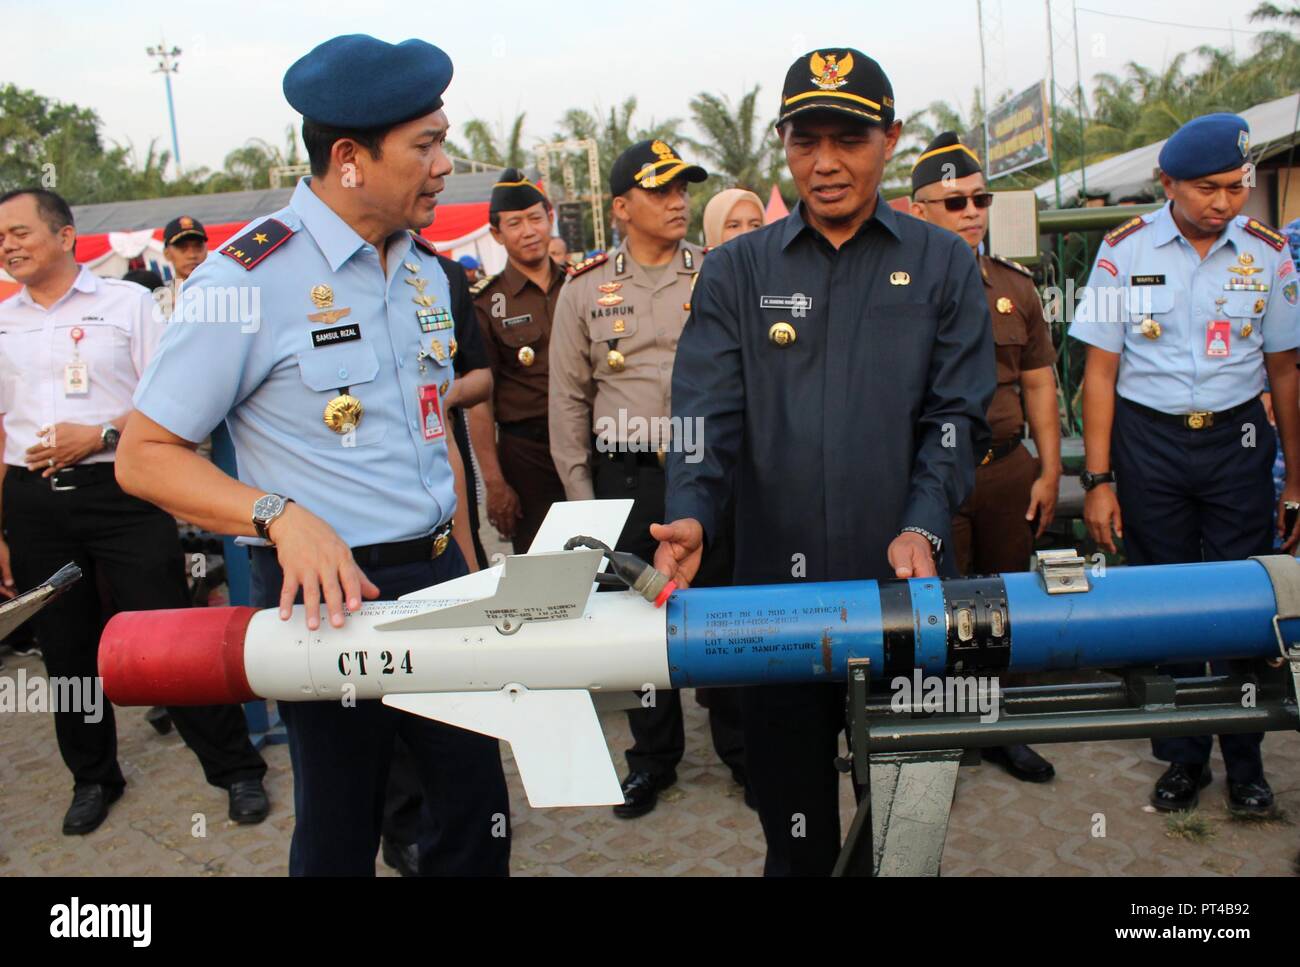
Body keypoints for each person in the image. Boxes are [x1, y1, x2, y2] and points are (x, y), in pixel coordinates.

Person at [116, 34, 511, 876]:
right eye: (426, 144)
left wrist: (468, 572)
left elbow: (429, 432)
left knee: (475, 813)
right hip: (329, 596)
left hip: (442, 579)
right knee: (340, 828)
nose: (446, 164)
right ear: (349, 159)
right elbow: (146, 455)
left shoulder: (421, 271)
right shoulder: (244, 281)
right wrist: (277, 515)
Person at [654, 48, 995, 875]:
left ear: (892, 139)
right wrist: (692, 510)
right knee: (795, 842)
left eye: (850, 138)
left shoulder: (943, 261)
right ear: (784, 144)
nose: (826, 162)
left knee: (908, 844)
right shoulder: (738, 268)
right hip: (774, 612)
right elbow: (703, 415)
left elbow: (955, 416)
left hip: (906, 599)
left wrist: (923, 522)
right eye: (806, 140)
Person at [0, 187, 269, 835]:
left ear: (65, 236)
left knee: (170, 633)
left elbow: (171, 402)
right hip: (34, 503)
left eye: (18, 231)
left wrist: (101, 436)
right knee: (65, 651)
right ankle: (93, 776)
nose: (7, 245)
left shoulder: (129, 305)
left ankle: (235, 767)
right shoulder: (2, 322)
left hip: (122, 491)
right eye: (0, 237)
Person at [1070, 112, 1300, 817]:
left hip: (1237, 442)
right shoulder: (1121, 250)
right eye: (1208, 188)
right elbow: (1100, 374)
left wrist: (1296, 477)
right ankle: (1182, 758)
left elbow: (1286, 371)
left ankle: (1247, 762)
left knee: (1246, 602)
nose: (1225, 202)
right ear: (1167, 183)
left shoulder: (1267, 253)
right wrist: (1100, 481)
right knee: (1166, 600)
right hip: (1150, 443)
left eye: (1236, 186)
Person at [549, 139, 749, 817]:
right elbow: (568, 402)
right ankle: (652, 759)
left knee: (722, 612)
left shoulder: (720, 273)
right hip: (628, 479)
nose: (676, 201)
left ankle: (741, 748)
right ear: (621, 207)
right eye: (660, 190)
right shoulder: (583, 289)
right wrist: (584, 506)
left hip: (713, 473)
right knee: (637, 622)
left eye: (682, 188)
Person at [909, 131, 1060, 784]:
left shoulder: (1014, 288)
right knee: (936, 608)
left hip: (1004, 470)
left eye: (979, 198)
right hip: (930, 476)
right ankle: (942, 737)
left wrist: (1049, 468)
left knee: (1004, 601)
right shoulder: (897, 291)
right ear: (920, 211)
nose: (971, 210)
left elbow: (1038, 382)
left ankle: (1006, 729)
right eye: (953, 201)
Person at [467, 170, 567, 554]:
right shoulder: (485, 302)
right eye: (514, 223)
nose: (528, 231)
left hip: (593, 445)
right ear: (496, 234)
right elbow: (481, 401)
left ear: (550, 217)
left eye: (535, 218)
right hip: (528, 455)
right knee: (542, 564)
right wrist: (494, 482)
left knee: (608, 562)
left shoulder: (581, 286)